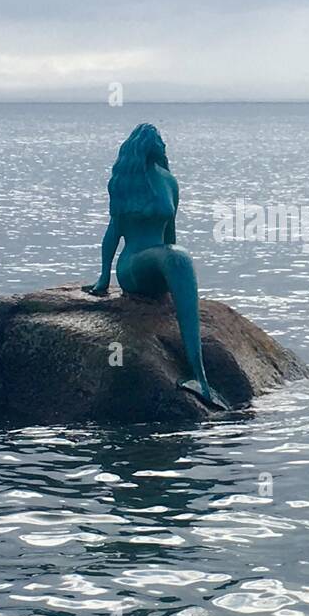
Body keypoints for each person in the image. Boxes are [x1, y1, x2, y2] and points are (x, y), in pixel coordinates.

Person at [84, 124, 229, 409]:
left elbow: (171, 235)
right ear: (146, 144)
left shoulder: (169, 181)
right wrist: (103, 278)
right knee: (178, 257)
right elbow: (114, 232)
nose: (164, 145)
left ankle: (199, 377)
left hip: (162, 262)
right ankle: (198, 376)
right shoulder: (126, 183)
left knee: (178, 257)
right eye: (159, 140)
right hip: (134, 268)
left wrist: (175, 282)